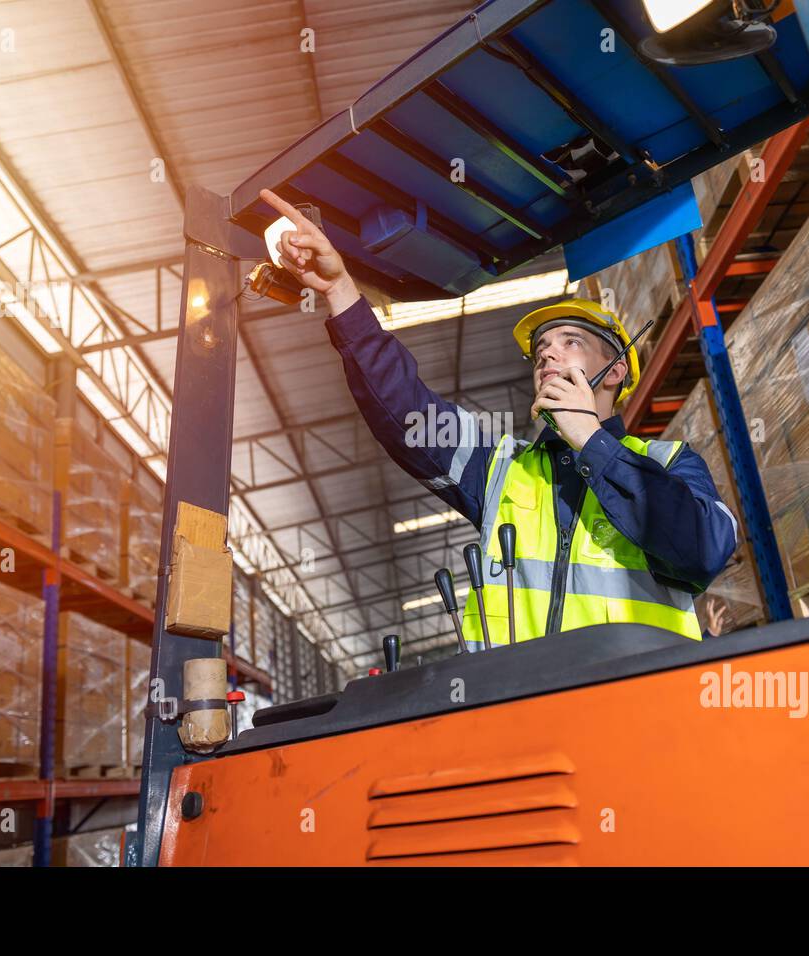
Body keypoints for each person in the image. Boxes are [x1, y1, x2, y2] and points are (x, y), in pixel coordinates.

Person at [262, 189, 737, 647]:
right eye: (540, 353)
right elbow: (405, 409)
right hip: (519, 717)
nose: (548, 355)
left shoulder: (671, 461)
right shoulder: (500, 469)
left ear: (614, 371)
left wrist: (593, 442)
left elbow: (702, 552)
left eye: (570, 342)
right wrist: (339, 289)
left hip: (638, 716)